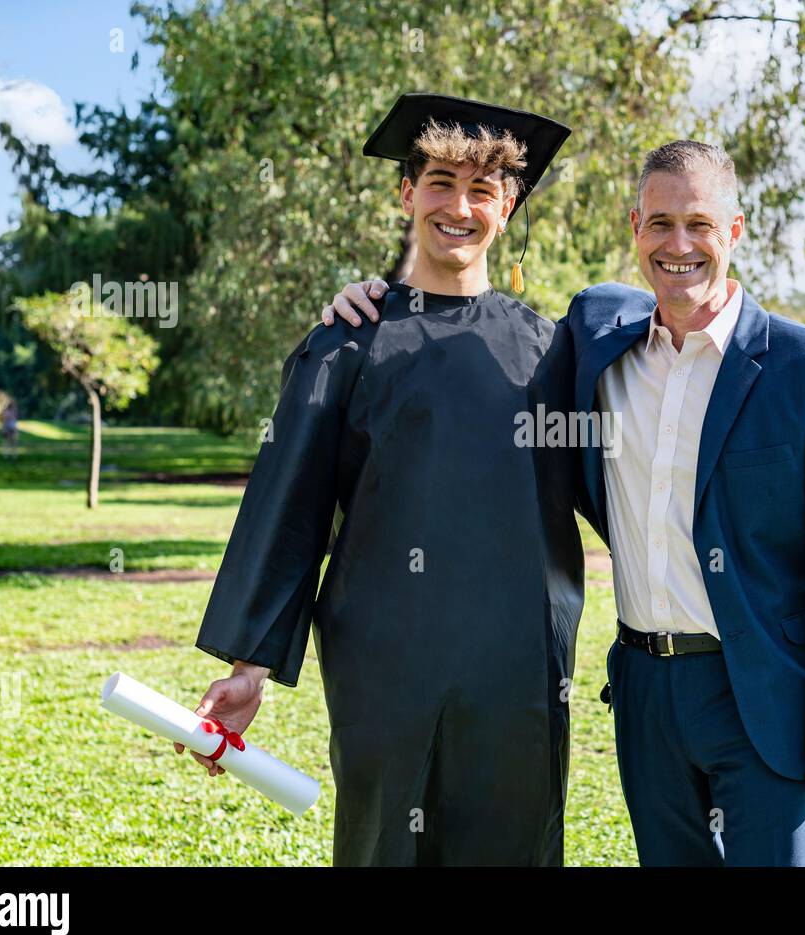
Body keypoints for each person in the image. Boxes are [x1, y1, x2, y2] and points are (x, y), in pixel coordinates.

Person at [326, 140, 805, 866]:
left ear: (735, 233)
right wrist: (373, 303)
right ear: (634, 228)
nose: (678, 245)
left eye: (699, 225)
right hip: (646, 693)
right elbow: (469, 353)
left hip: (765, 694)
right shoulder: (597, 334)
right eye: (659, 224)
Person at [181, 93, 583, 866]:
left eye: (481, 190)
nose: (457, 207)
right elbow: (292, 504)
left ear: (509, 205)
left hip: (519, 670)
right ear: (406, 193)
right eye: (438, 181)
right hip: (384, 664)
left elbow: (623, 488)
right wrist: (249, 666)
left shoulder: (550, 353)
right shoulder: (349, 341)